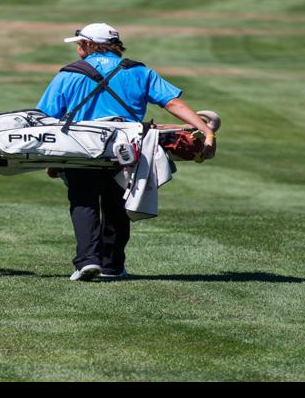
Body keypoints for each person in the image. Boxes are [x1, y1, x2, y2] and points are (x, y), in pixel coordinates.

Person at [34, 22, 217, 281]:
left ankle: (87, 261)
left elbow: (46, 118)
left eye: (79, 44)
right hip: (128, 149)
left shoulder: (68, 74)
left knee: (83, 202)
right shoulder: (139, 72)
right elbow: (172, 102)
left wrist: (50, 157)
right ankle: (112, 266)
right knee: (118, 205)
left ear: (88, 45)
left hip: (80, 148)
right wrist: (206, 131)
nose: (77, 48)